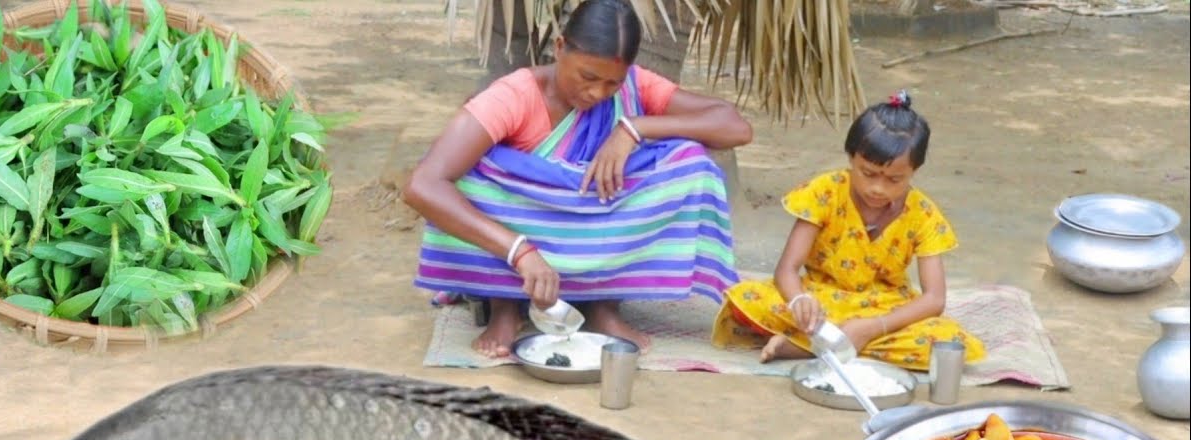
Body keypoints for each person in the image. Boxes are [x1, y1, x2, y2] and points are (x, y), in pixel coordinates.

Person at [404, 0, 752, 358]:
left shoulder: (634, 86)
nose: (597, 93)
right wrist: (518, 249)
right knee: (476, 173)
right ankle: (504, 306)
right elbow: (423, 184)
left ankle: (603, 305)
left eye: (611, 84)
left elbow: (734, 127)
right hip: (523, 232)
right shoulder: (514, 96)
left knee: (689, 161)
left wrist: (633, 127)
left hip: (593, 224)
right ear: (559, 48)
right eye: (587, 77)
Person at [710, 91, 986, 371]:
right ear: (851, 158)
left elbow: (934, 299)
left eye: (894, 179)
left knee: (950, 342)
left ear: (915, 170)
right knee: (746, 299)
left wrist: (873, 327)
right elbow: (786, 271)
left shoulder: (923, 213)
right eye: (867, 173)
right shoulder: (825, 192)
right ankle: (834, 343)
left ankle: (806, 347)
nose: (878, 188)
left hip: (884, 310)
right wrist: (800, 300)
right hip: (820, 302)